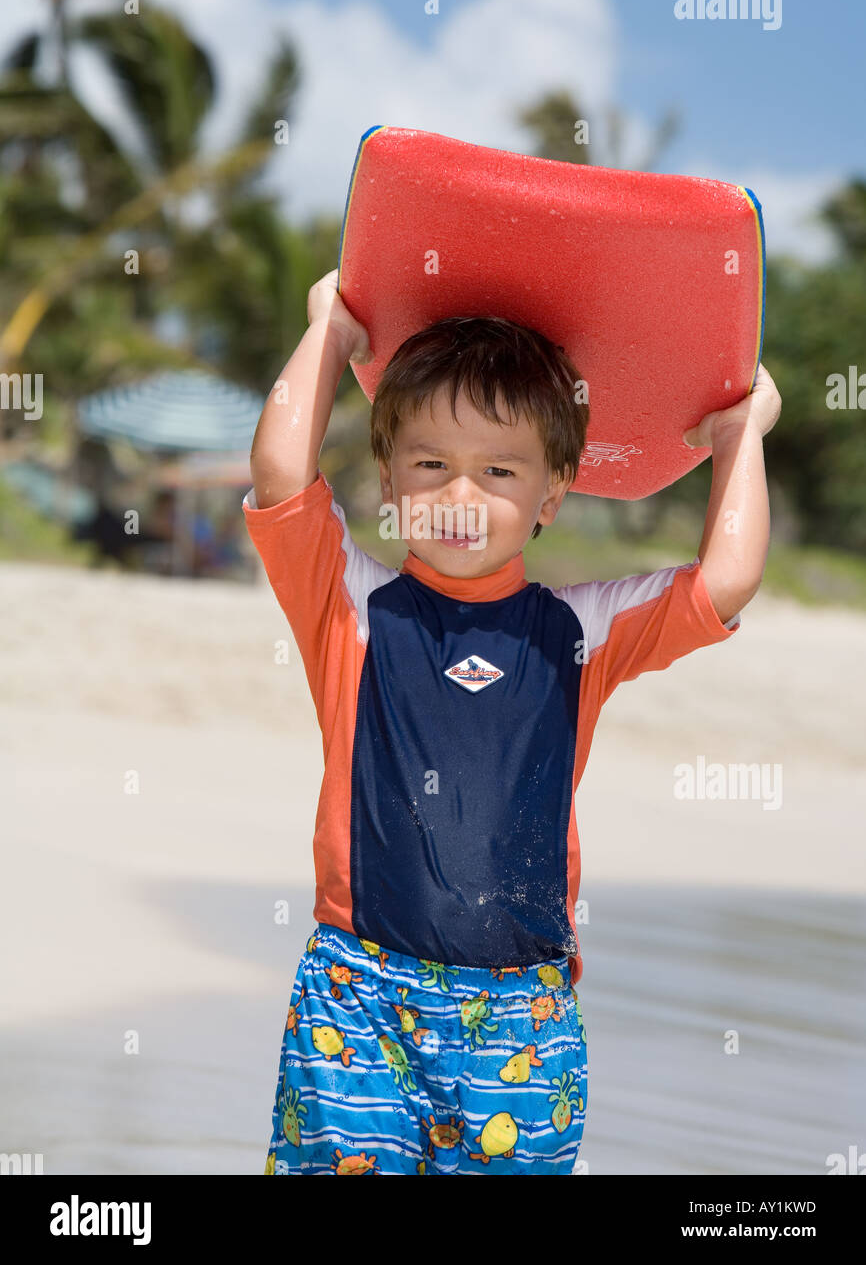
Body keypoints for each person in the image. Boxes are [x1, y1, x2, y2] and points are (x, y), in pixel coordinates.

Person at [243, 268, 781, 1176]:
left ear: (552, 495)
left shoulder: (581, 631)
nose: (461, 494)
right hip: (358, 995)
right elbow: (279, 473)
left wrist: (739, 435)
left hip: (520, 1018)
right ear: (389, 478)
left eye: (499, 471)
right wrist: (331, 332)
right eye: (430, 464)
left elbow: (724, 580)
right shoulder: (350, 607)